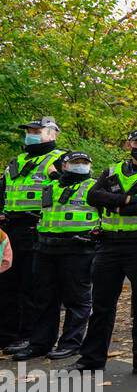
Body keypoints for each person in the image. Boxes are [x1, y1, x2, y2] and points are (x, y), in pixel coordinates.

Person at [76, 129, 137, 374]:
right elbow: (93, 196)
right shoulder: (111, 170)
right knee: (102, 304)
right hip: (109, 245)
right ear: (129, 144)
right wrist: (129, 201)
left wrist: (115, 203)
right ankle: (91, 359)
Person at [15, 151, 98, 361]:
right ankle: (40, 343)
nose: (80, 166)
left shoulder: (94, 187)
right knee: (43, 299)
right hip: (46, 249)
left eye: (84, 162)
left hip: (78, 249)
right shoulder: (50, 187)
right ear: (64, 166)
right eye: (75, 162)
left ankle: (70, 343)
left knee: (76, 300)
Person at [0, 116, 63, 355]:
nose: (31, 133)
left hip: (37, 228)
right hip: (10, 228)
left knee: (32, 285)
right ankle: (7, 335)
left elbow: (72, 191)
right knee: (6, 283)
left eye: (37, 130)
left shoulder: (60, 160)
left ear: (52, 133)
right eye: (29, 130)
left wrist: (58, 175)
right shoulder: (17, 160)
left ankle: (29, 335)